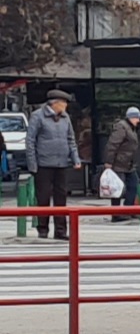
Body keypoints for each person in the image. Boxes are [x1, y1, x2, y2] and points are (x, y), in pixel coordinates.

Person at [27, 89, 80, 240]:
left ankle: (60, 231)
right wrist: (32, 165)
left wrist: (75, 158)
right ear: (55, 103)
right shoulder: (38, 116)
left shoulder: (65, 118)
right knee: (43, 197)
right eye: (64, 103)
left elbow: (71, 139)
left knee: (61, 198)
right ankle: (42, 229)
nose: (66, 106)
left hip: (62, 163)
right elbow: (30, 141)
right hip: (43, 163)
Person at [103, 106, 140, 222]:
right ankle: (116, 214)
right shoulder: (121, 127)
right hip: (119, 163)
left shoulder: (131, 128)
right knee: (117, 189)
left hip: (129, 164)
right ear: (131, 117)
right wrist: (109, 162)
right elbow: (113, 144)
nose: (139, 120)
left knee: (133, 186)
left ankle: (129, 210)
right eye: (137, 118)